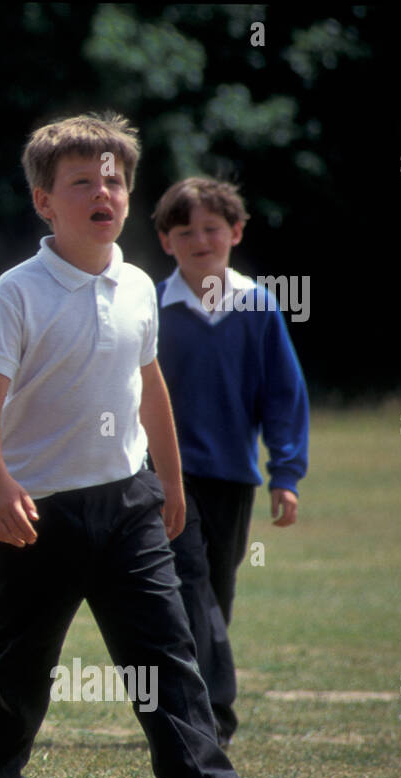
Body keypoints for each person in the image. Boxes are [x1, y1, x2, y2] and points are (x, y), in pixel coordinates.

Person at [0, 113, 305, 778]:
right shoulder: (20, 293)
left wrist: (171, 484)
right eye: (81, 181)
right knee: (18, 667)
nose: (102, 192)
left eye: (113, 179)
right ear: (44, 201)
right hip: (37, 510)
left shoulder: (141, 285)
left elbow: (151, 389)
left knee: (169, 658)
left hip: (130, 505)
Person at [152, 177, 309, 747]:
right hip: (165, 475)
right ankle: (214, 713)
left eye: (212, 228)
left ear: (236, 233)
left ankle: (188, 703)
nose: (200, 240)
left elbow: (283, 397)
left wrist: (285, 474)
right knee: (188, 581)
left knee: (214, 593)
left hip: (234, 478)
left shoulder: (259, 308)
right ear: (166, 241)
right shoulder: (151, 307)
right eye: (185, 231)